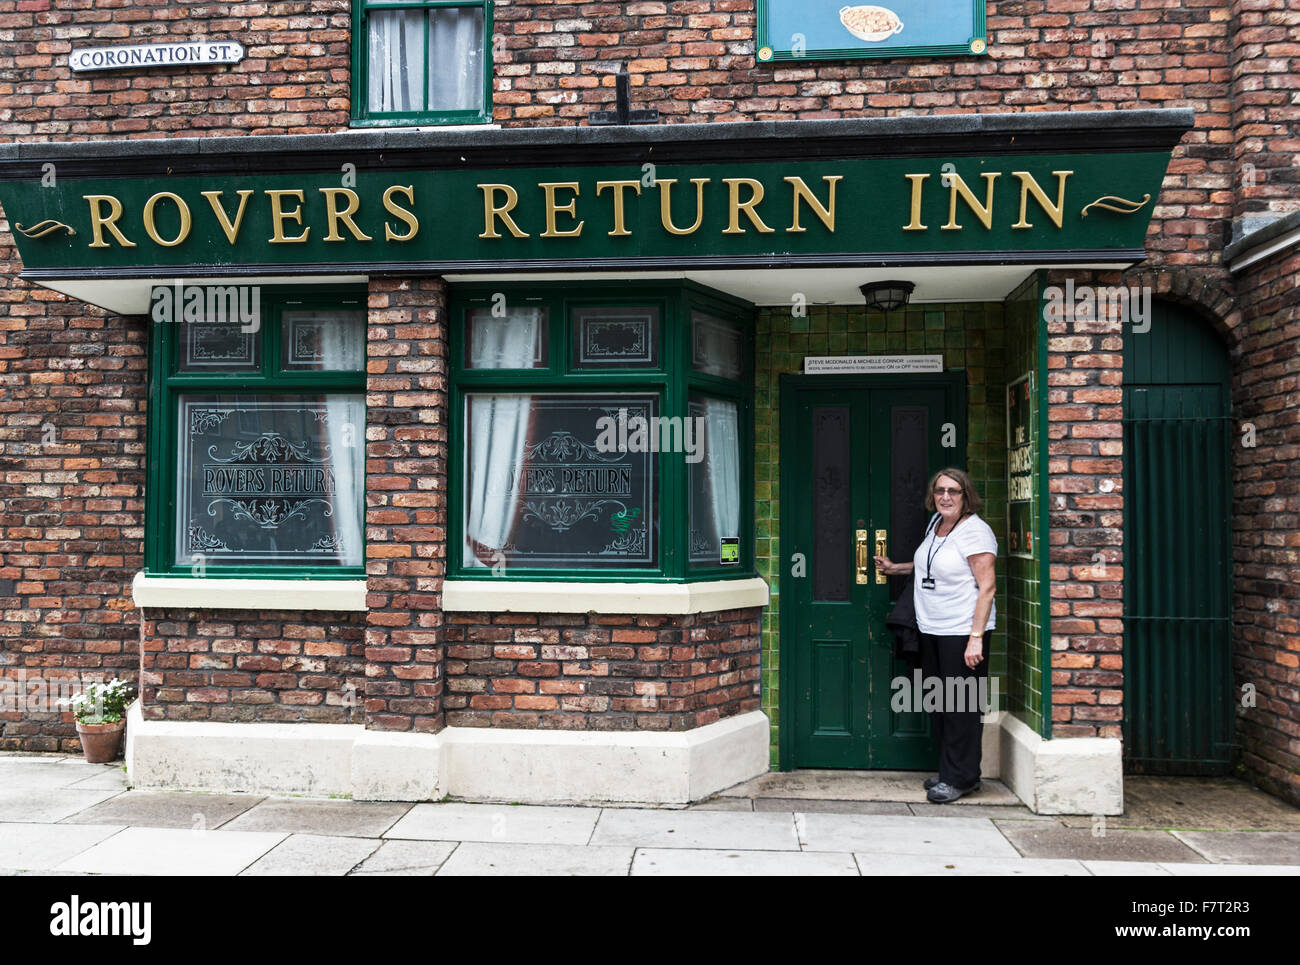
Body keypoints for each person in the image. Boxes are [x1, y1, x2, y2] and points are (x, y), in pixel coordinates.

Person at [873, 467, 997, 803]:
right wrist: (895, 568)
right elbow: (930, 565)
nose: (946, 497)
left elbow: (987, 588)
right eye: (940, 490)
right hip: (931, 628)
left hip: (962, 631)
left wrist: (975, 638)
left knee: (962, 707)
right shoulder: (936, 524)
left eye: (954, 491)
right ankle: (950, 771)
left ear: (966, 495)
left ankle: (963, 777)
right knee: (941, 703)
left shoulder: (975, 532)